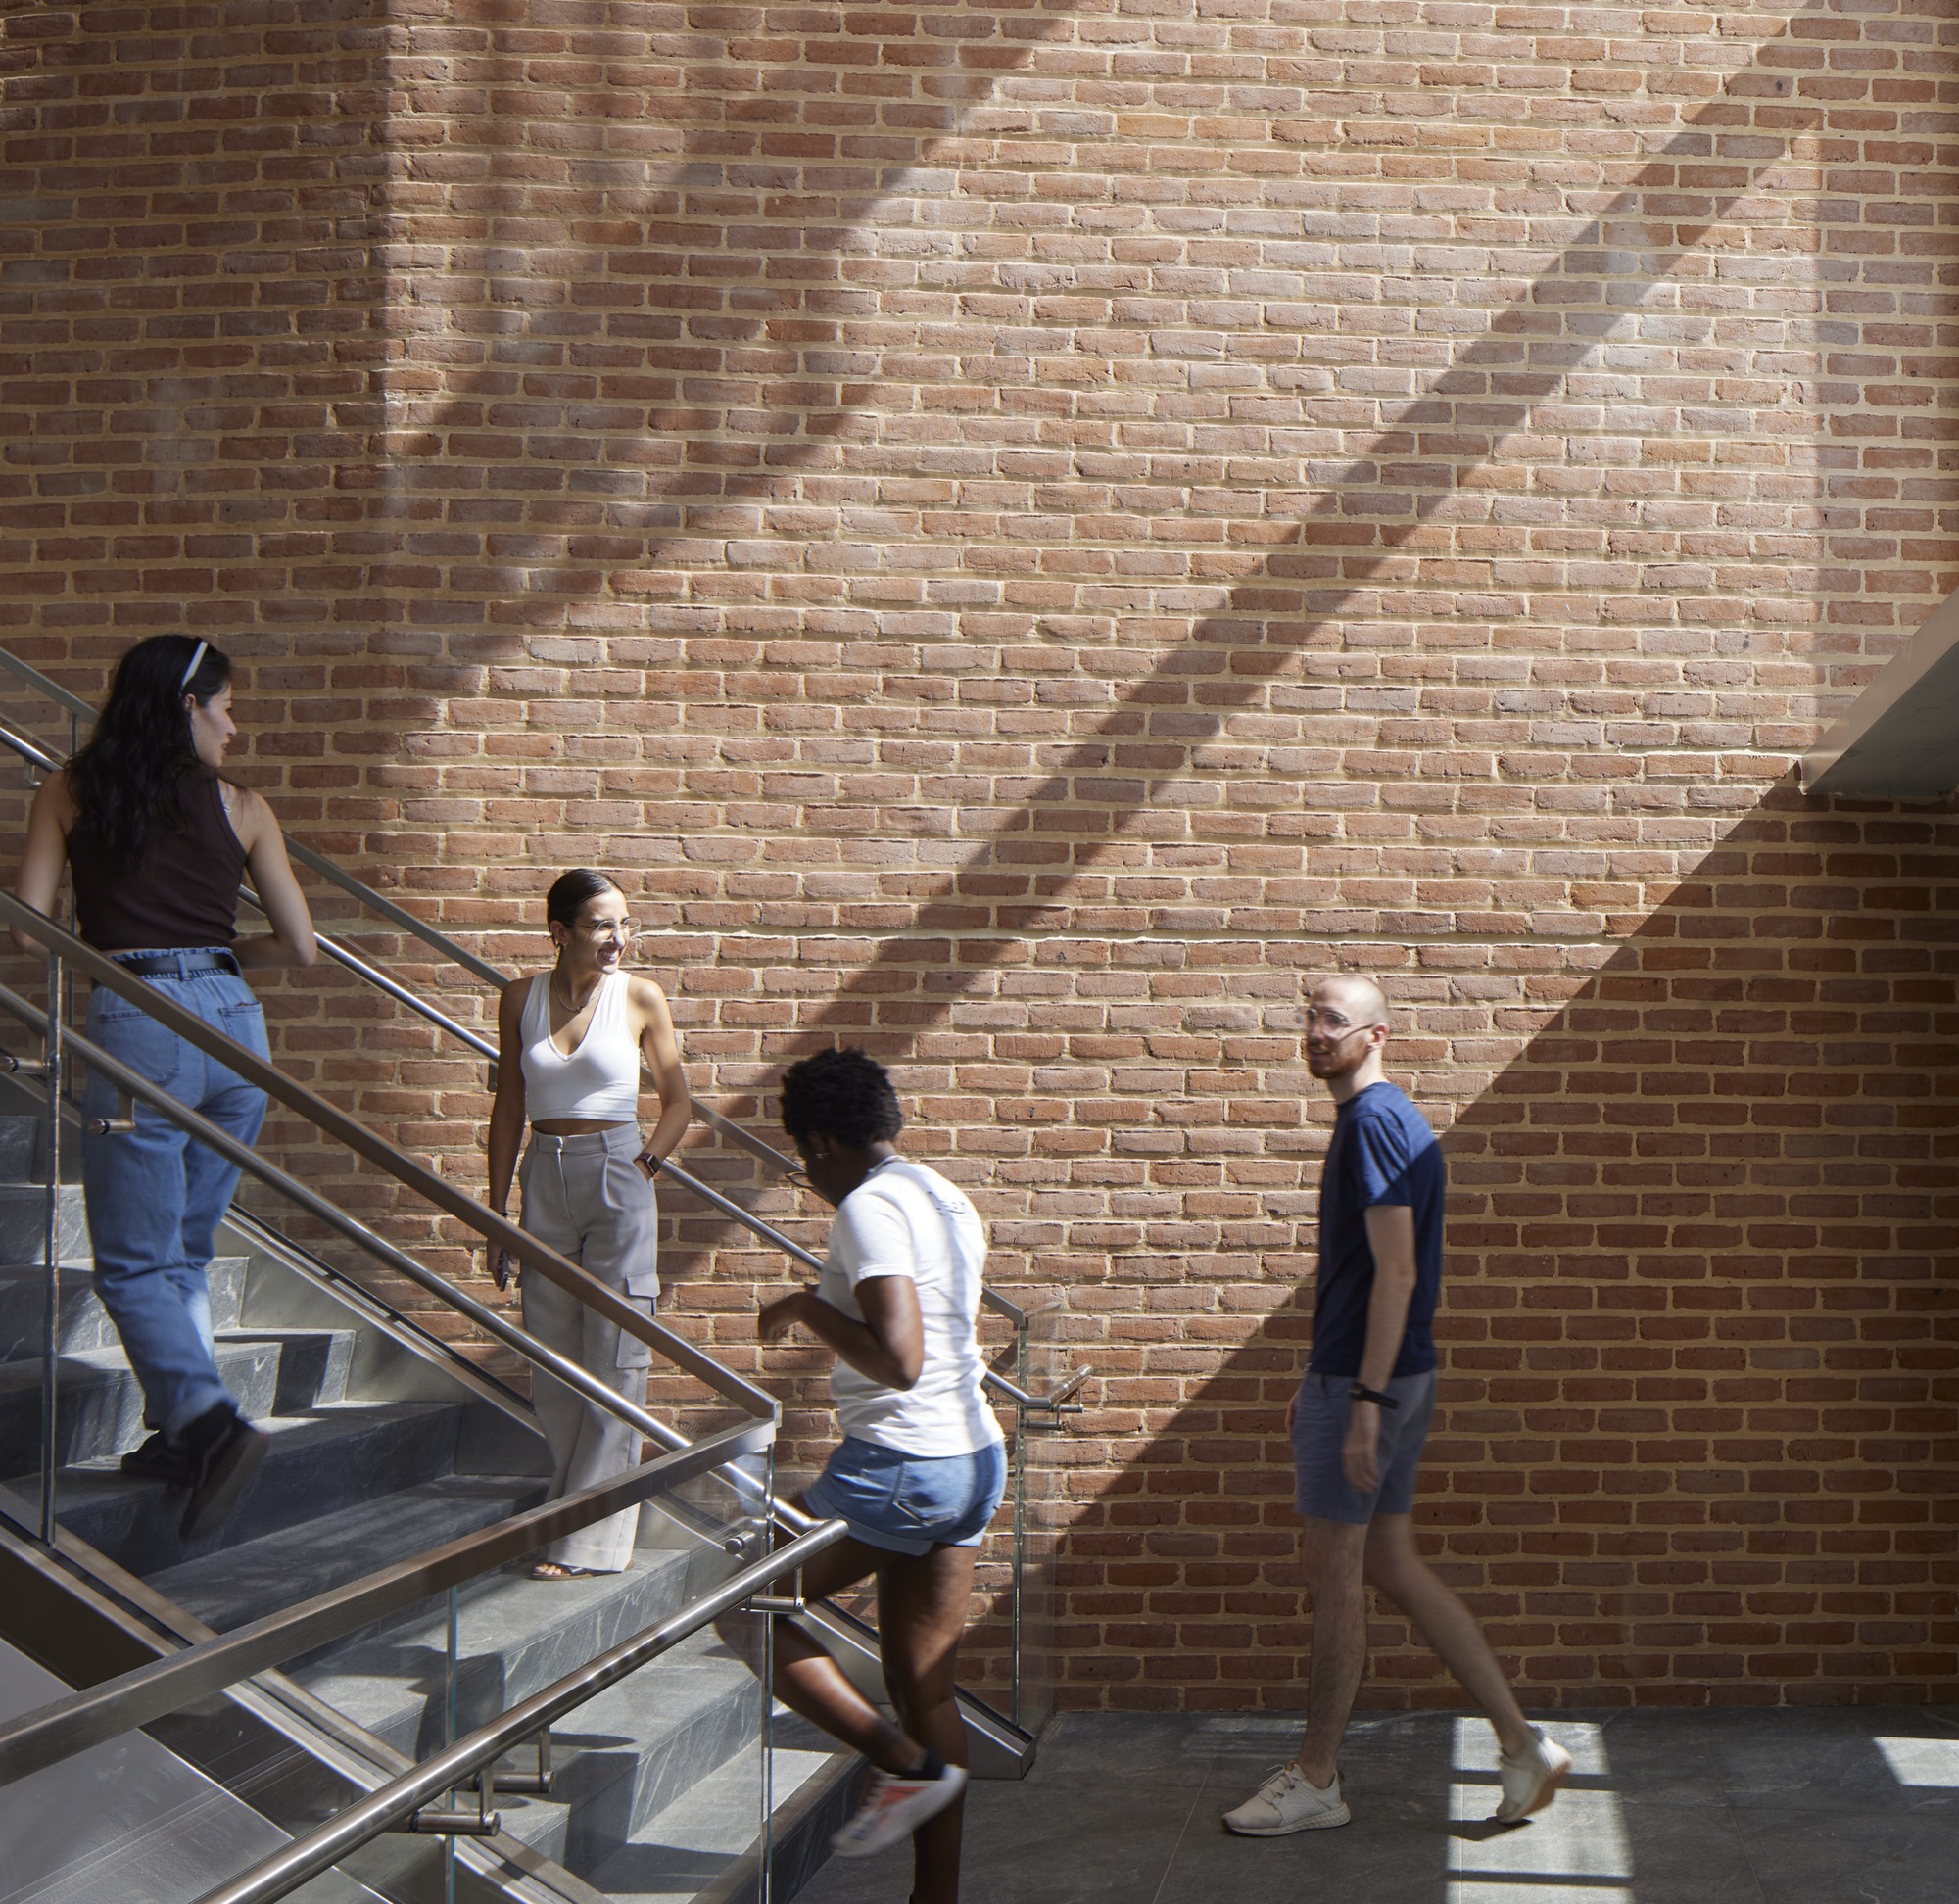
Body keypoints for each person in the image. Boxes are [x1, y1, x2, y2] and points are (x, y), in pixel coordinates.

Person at [1221, 975, 1570, 1838]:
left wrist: (1362, 1399)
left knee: (1334, 1582)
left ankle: (1316, 1778)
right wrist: (1330, 1377)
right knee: (1392, 1564)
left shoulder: (1375, 1124)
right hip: (1385, 1375)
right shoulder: (1387, 1120)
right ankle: (1523, 1744)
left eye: (1332, 1020)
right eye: (1308, 1015)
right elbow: (1364, 1276)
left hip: (1371, 1384)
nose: (1313, 1032)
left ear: (1376, 1035)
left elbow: (1398, 1272)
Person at [13, 635, 318, 1541]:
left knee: (133, 1261)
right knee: (181, 1249)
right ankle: (178, 1430)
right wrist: (219, 958)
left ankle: (211, 1427)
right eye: (225, 704)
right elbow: (299, 949)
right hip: (236, 1026)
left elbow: (31, 931)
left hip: (138, 1022)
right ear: (187, 704)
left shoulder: (71, 791)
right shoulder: (244, 807)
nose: (236, 722)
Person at [751, 1047, 1001, 1902]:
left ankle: (899, 1764)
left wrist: (804, 1306)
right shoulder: (943, 1194)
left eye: (802, 1155)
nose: (806, 1173)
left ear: (822, 1140)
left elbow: (900, 1358)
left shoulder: (866, 1207)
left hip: (903, 1460)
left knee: (741, 1598)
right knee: (924, 1689)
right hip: (970, 1459)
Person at [486, 868, 691, 1579]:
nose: (619, 939)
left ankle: (584, 1539)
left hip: (617, 1171)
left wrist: (642, 1169)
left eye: (627, 924)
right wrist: (495, 1208)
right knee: (552, 1356)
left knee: (616, 1353)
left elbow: (677, 1103)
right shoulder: (520, 998)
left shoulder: (639, 997)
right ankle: (570, 1506)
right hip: (544, 1171)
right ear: (560, 932)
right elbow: (508, 1105)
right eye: (604, 925)